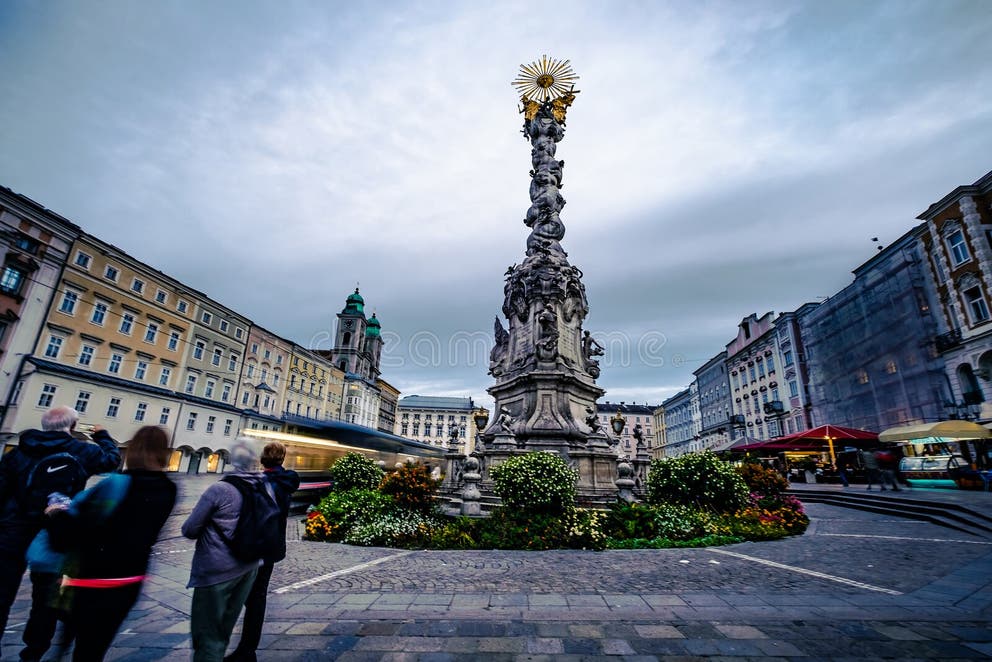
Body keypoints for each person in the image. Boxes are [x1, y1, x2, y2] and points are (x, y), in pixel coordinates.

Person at [41, 425, 177, 661]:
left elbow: (73, 531)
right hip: (130, 578)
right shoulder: (169, 488)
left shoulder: (114, 484)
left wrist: (55, 512)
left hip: (91, 576)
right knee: (96, 646)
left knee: (68, 639)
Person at [0, 406, 120, 660]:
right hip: (55, 530)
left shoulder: (19, 451)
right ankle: (34, 650)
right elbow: (112, 460)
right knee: (45, 597)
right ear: (74, 426)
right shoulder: (81, 450)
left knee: (1, 591)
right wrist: (102, 435)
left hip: (13, 528)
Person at [183, 440, 268, 662]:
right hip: (249, 566)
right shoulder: (262, 486)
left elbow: (190, 529)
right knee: (223, 631)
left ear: (232, 460)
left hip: (217, 569)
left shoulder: (220, 489)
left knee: (207, 635)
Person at [225, 442, 300, 662]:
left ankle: (224, 645)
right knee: (257, 598)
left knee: (236, 594)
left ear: (262, 458)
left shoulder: (257, 482)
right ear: (282, 458)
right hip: (271, 545)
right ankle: (248, 648)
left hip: (248, 545)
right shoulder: (287, 481)